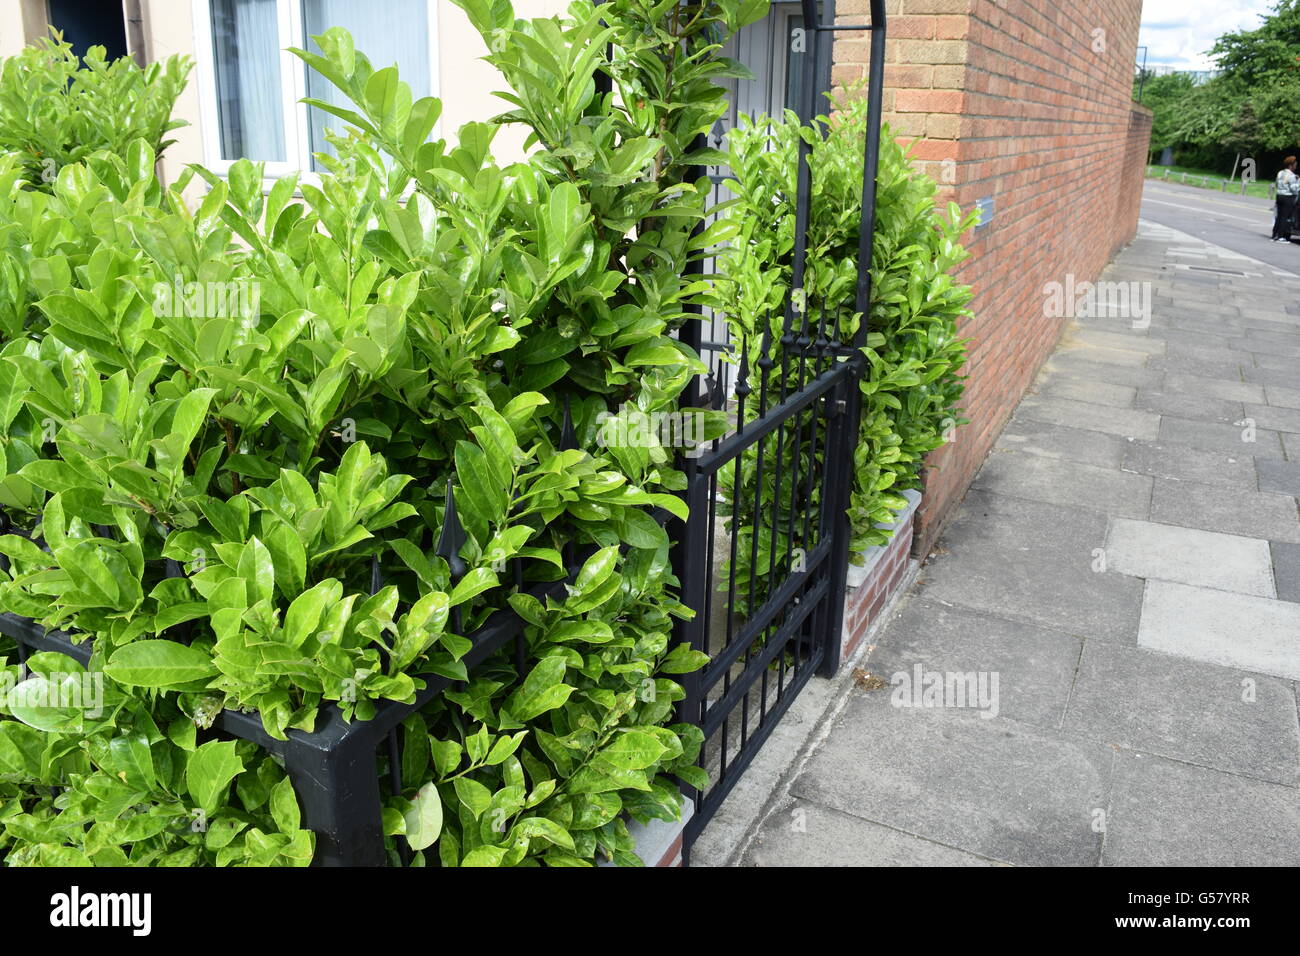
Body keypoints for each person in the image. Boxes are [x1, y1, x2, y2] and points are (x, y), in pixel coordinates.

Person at [1273, 156, 1299, 241]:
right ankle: (1281, 237)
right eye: (1295, 165)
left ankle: (1274, 235)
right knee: (1285, 217)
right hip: (1288, 197)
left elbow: (1277, 183)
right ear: (1291, 165)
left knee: (1279, 216)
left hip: (1279, 195)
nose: (1296, 166)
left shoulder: (1280, 173)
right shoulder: (1292, 176)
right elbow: (1294, 189)